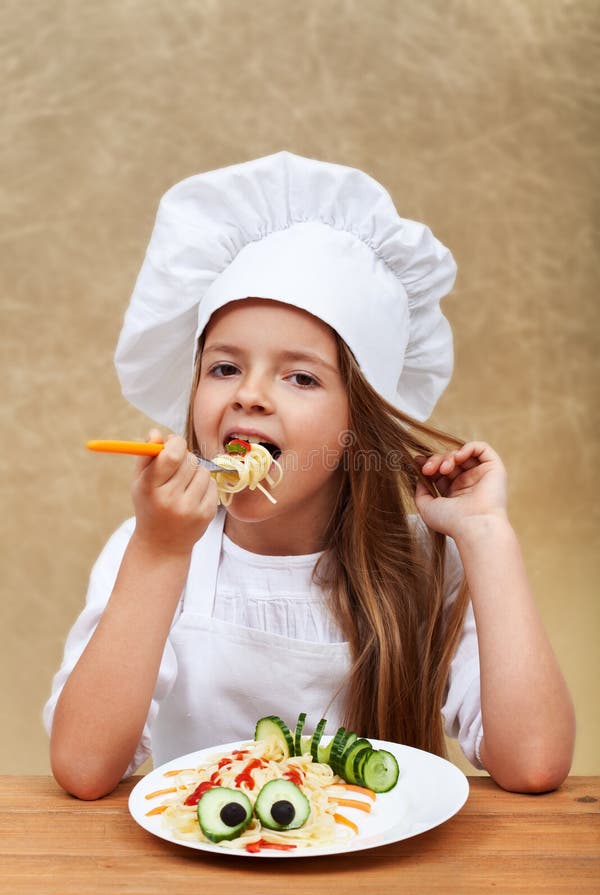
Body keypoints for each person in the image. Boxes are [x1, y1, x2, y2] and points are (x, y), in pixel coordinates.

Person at [44, 152, 575, 801]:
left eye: (300, 377)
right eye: (224, 368)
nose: (250, 395)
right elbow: (84, 767)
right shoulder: (153, 547)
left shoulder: (426, 564)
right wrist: (157, 555)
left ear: (361, 425)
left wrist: (487, 534)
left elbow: (535, 763)